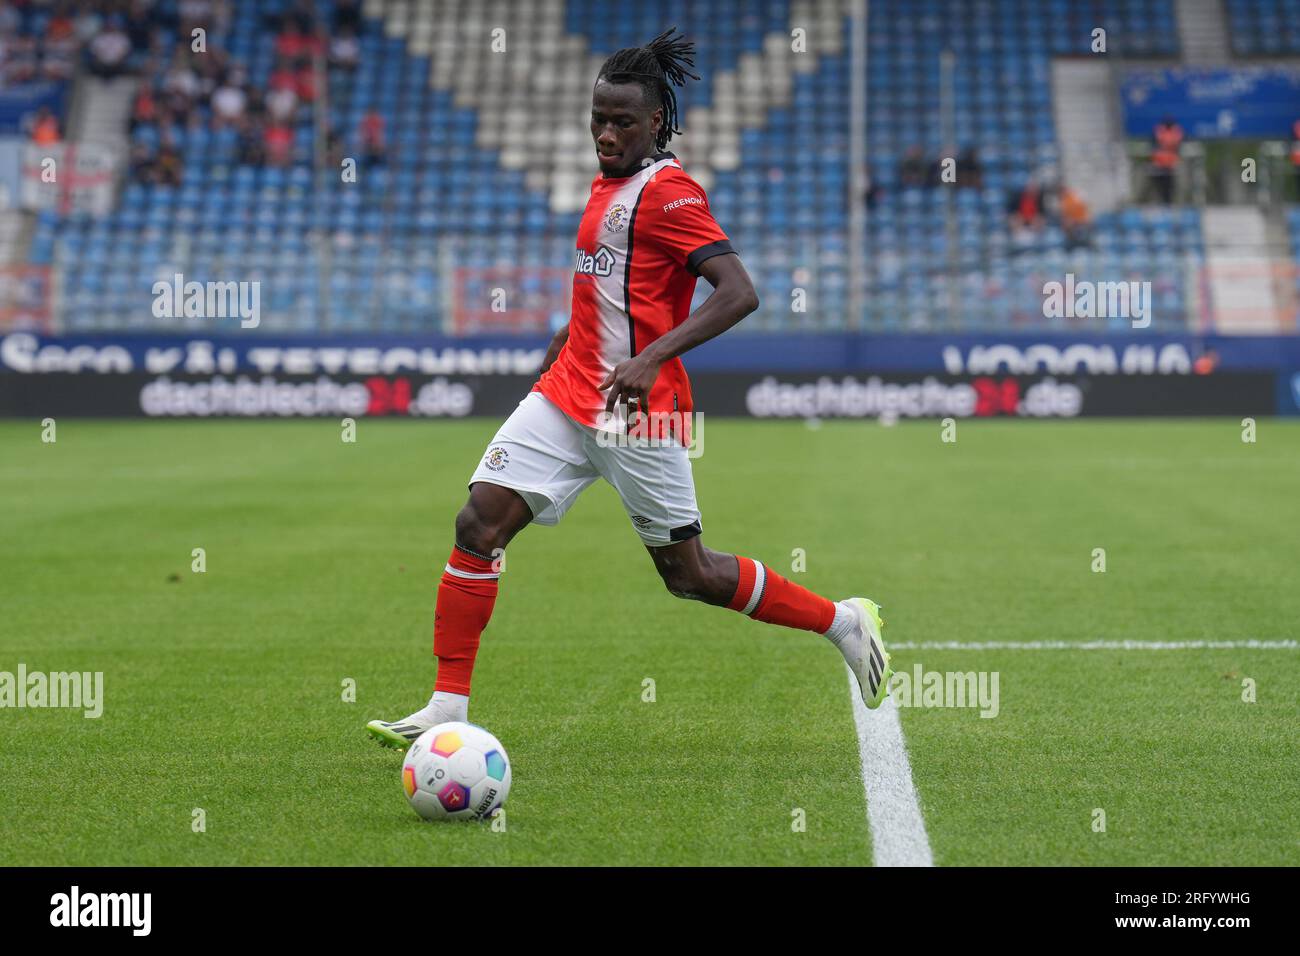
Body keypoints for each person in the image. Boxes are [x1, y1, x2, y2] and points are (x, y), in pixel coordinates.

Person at [366, 29, 894, 748]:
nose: (606, 135)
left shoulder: (669, 193)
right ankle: (447, 706)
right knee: (478, 525)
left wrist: (653, 356)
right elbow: (612, 283)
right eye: (597, 120)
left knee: (690, 575)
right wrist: (565, 339)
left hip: (636, 412)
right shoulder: (607, 182)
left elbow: (738, 292)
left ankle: (843, 622)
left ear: (656, 122)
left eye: (621, 122)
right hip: (567, 393)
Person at [1150, 116, 1183, 204]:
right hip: (1160, 163)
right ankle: (1162, 201)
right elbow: (1154, 146)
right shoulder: (1159, 131)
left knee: (1170, 184)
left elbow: (1178, 146)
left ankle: (1168, 202)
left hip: (1171, 163)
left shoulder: (1176, 132)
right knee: (1160, 184)